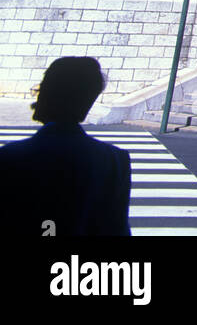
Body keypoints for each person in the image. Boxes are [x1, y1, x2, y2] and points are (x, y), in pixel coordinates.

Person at [0, 56, 131, 236]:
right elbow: (116, 229)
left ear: (49, 94)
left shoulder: (10, 157)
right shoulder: (115, 161)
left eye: (42, 87)